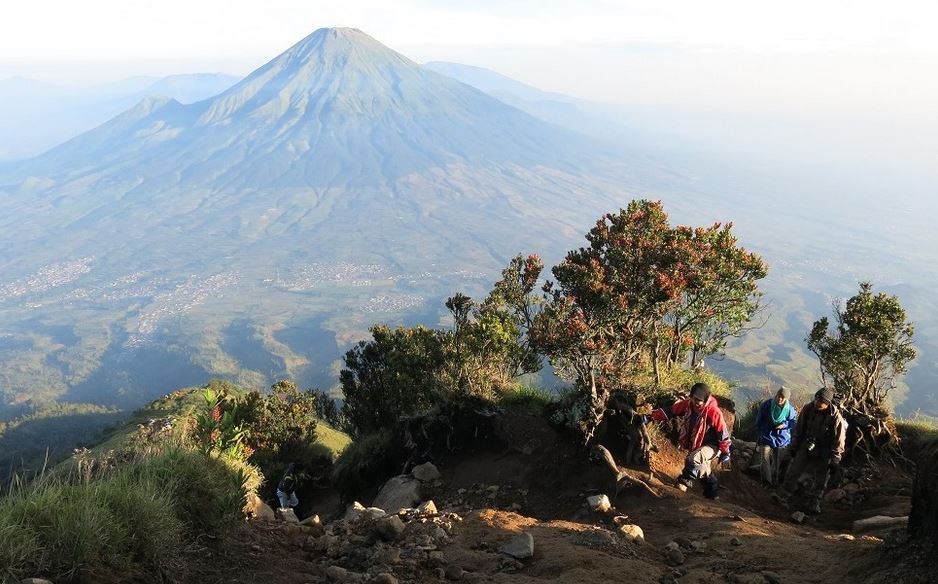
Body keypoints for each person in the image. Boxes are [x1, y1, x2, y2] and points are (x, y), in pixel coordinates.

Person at [647, 382, 731, 499]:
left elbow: (723, 433)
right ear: (690, 397)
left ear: (706, 400)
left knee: (693, 460)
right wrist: (651, 416)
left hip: (713, 446)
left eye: (700, 400)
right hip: (697, 444)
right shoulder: (687, 405)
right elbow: (670, 411)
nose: (696, 402)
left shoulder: (713, 411)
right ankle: (712, 492)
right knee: (703, 470)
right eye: (694, 399)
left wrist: (726, 452)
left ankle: (683, 482)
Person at [774, 388, 847, 514]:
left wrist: (835, 459)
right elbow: (799, 429)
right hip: (806, 445)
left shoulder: (835, 418)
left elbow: (839, 440)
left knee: (821, 479)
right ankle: (783, 496)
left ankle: (814, 503)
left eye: (821, 402)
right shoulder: (808, 409)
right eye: (817, 400)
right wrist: (794, 447)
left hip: (825, 451)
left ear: (828, 403)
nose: (817, 403)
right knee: (793, 471)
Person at [750, 386, 798, 486]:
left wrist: (784, 425)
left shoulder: (790, 410)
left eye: (783, 397)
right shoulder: (766, 405)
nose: (780, 399)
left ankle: (775, 482)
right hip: (766, 436)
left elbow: (792, 423)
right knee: (765, 459)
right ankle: (767, 482)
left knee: (777, 462)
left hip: (782, 439)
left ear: (786, 399)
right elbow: (759, 421)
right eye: (778, 396)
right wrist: (759, 433)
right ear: (776, 395)